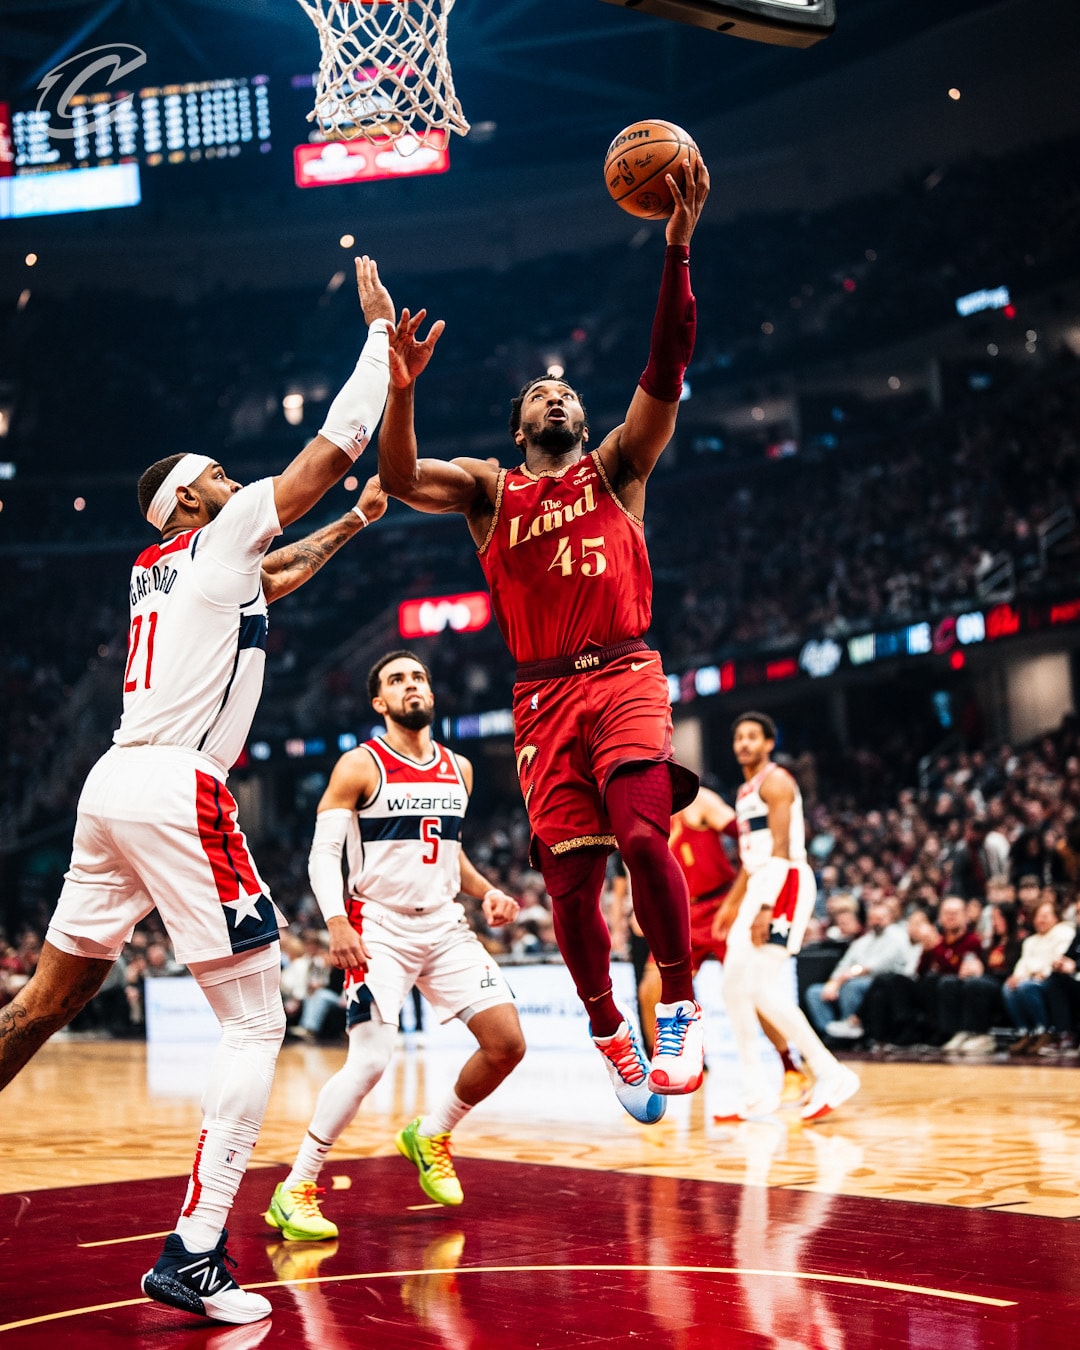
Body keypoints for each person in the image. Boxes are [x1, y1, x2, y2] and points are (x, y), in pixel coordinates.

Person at [0, 257, 397, 1326]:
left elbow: (273, 576)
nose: (236, 478)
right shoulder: (220, 534)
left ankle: (197, 1244)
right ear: (191, 498)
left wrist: (353, 529)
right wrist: (377, 340)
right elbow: (332, 449)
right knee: (255, 1025)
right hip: (181, 789)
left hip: (111, 788)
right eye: (220, 473)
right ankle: (197, 1248)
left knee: (47, 1001)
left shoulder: (165, 566)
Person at [376, 156, 711, 1125]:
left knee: (647, 839)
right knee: (571, 890)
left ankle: (679, 1003)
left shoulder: (619, 466)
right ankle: (611, 1027)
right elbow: (399, 480)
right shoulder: (490, 491)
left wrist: (677, 247)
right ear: (518, 424)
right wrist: (401, 391)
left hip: (626, 674)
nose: (558, 397)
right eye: (540, 394)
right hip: (540, 699)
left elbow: (667, 364)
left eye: (568, 391)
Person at [264, 650, 525, 1240]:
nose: (412, 686)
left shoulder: (459, 768)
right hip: (378, 924)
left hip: (443, 923)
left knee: (507, 1043)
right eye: (397, 680)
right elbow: (324, 853)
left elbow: (447, 850)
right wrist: (335, 921)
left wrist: (487, 891)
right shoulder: (360, 765)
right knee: (372, 1062)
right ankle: (296, 1187)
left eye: (420, 677)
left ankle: (431, 1132)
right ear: (379, 702)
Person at [716, 713, 860, 1121]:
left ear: (768, 743)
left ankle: (831, 1073)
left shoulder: (776, 781)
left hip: (785, 882)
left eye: (752, 737)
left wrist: (764, 905)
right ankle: (755, 1091)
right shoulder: (745, 790)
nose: (743, 743)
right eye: (738, 737)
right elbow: (751, 861)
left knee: (759, 987)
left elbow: (780, 848)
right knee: (732, 988)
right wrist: (732, 904)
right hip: (759, 884)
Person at [638, 785, 810, 1103]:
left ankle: (791, 1067)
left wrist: (740, 895)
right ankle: (667, 1070)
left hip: (722, 905)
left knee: (753, 990)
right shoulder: (644, 816)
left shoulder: (698, 800)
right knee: (650, 989)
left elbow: (752, 842)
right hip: (681, 912)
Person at [804, 896, 912, 1042]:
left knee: (852, 986)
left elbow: (880, 965)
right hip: (852, 978)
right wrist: (833, 982)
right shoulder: (863, 940)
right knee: (815, 992)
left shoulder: (897, 936)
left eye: (880, 917)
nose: (876, 921)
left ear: (890, 918)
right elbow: (844, 964)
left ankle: (849, 1028)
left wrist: (848, 975)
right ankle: (829, 1032)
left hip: (883, 981)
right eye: (873, 918)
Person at [1003, 897, 1075, 1056]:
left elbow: (1059, 960)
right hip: (1032, 979)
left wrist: (1033, 975)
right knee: (1009, 988)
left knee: (1026, 986)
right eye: (1038, 916)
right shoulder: (1030, 940)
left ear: (1056, 917)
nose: (1041, 920)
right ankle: (1026, 1033)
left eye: (1045, 915)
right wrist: (1016, 976)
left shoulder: (1064, 931)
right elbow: (1022, 964)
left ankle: (1044, 1031)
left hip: (1049, 979)